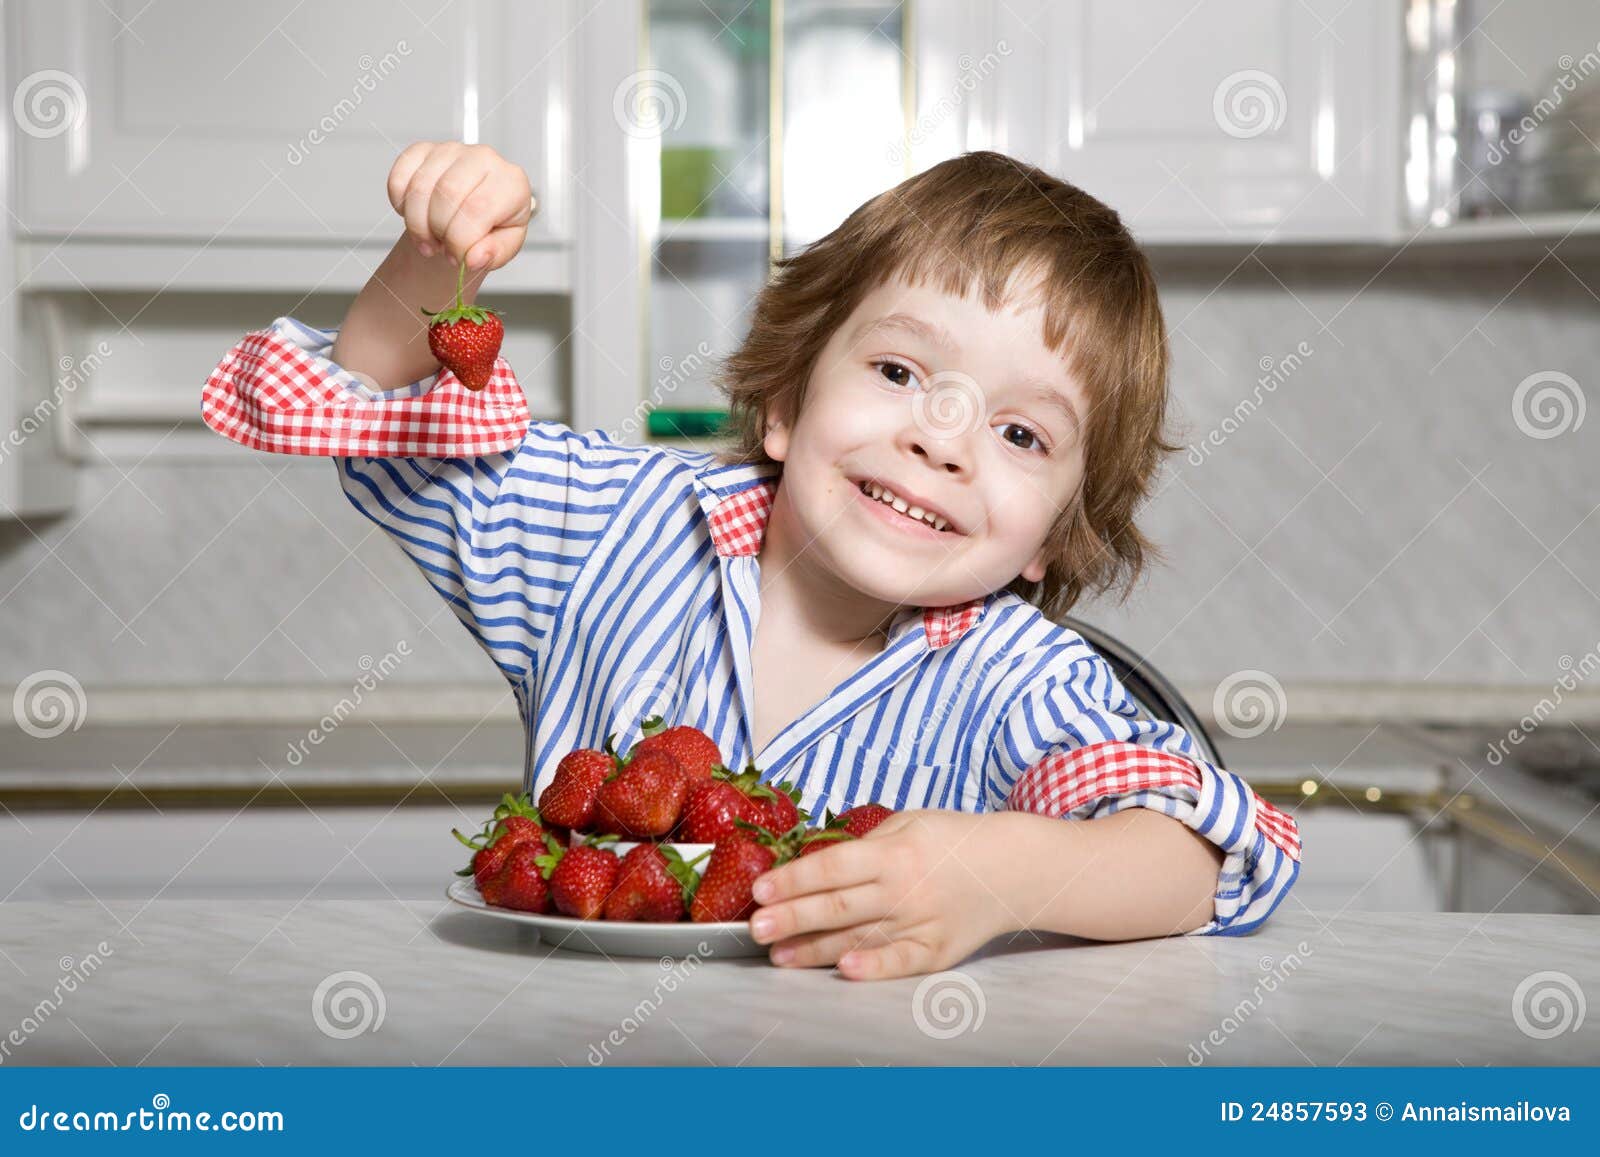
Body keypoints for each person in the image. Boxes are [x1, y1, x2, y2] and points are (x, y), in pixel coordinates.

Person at [202, 141, 1302, 981]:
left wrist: (995, 870)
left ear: (1057, 535)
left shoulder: (1017, 678)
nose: (943, 437)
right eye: (898, 369)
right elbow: (375, 414)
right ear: (782, 398)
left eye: (1021, 435)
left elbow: (1210, 849)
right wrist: (436, 258)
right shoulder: (616, 527)